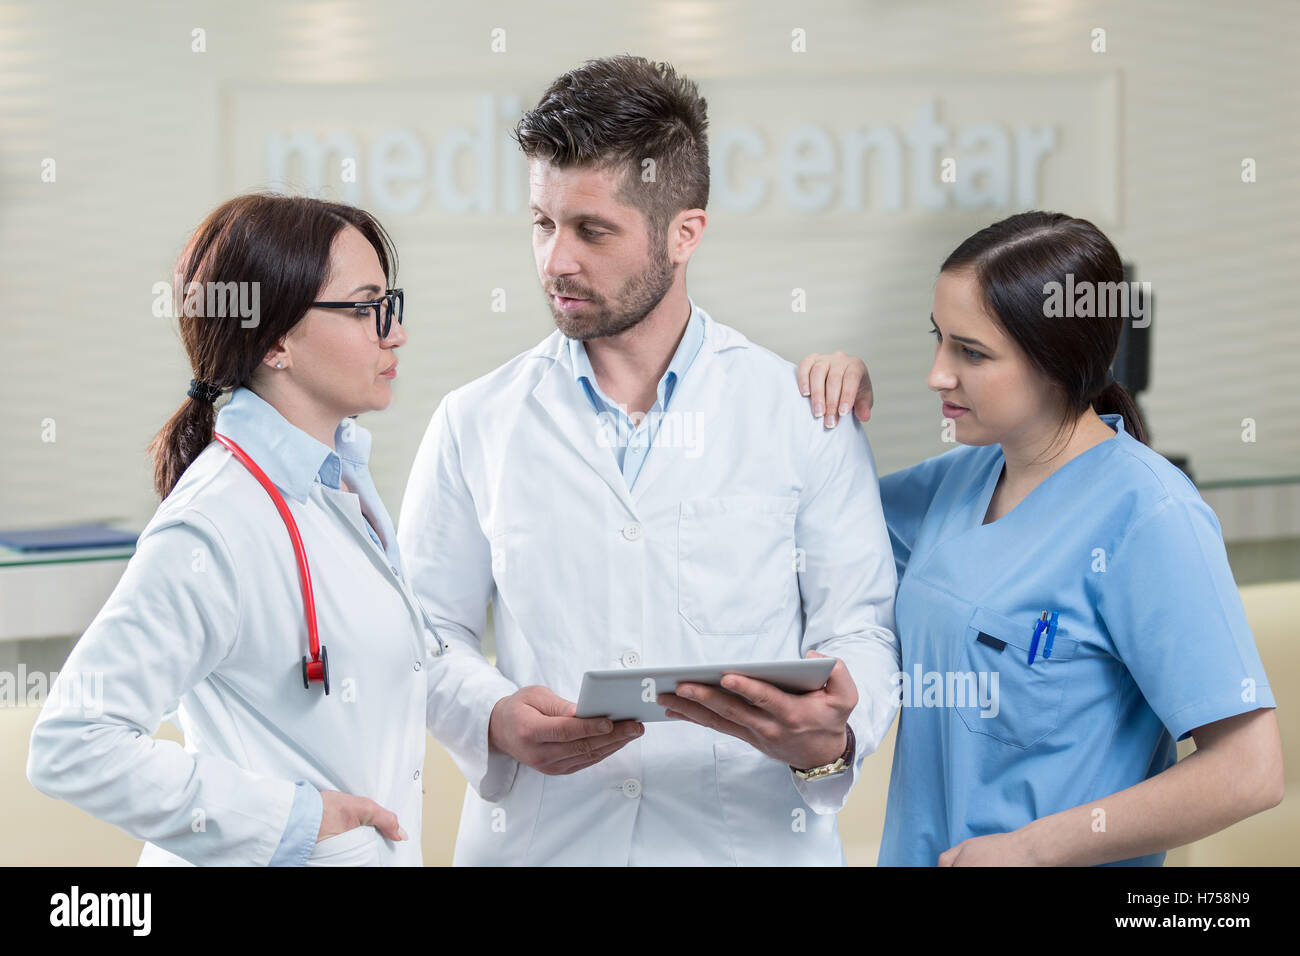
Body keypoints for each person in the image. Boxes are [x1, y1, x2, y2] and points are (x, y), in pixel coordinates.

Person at [398, 55, 900, 865]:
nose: (556, 260)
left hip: (746, 840)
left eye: (593, 230)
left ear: (684, 232)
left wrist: (839, 725)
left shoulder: (802, 414)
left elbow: (861, 626)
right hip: (548, 840)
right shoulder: (473, 421)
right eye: (541, 223)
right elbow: (422, 629)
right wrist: (490, 714)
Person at [797, 210, 1283, 865]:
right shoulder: (954, 484)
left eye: (971, 352)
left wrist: (1032, 850)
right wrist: (826, 407)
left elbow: (1249, 770)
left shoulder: (1151, 514)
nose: (937, 374)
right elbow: (801, 527)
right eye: (939, 339)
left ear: (1055, 361)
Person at [27, 193, 438, 866]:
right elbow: (73, 742)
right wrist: (294, 820)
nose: (394, 333)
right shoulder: (213, 522)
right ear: (276, 340)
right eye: (364, 308)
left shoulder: (338, 478)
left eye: (389, 304)